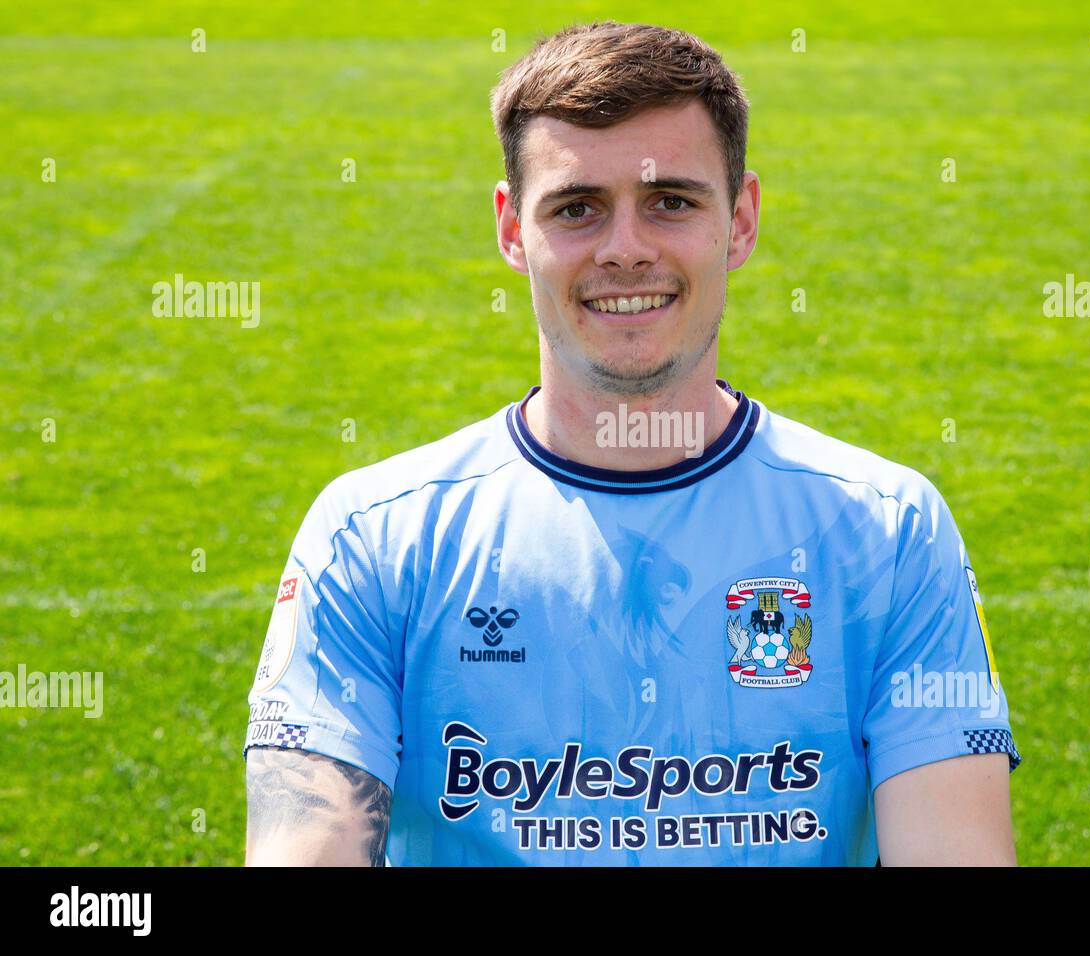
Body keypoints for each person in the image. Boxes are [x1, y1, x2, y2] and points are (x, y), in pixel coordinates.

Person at [244, 19, 1021, 866]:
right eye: (577, 209)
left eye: (672, 202)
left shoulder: (889, 533)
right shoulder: (372, 536)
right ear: (511, 229)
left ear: (742, 220)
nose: (626, 250)